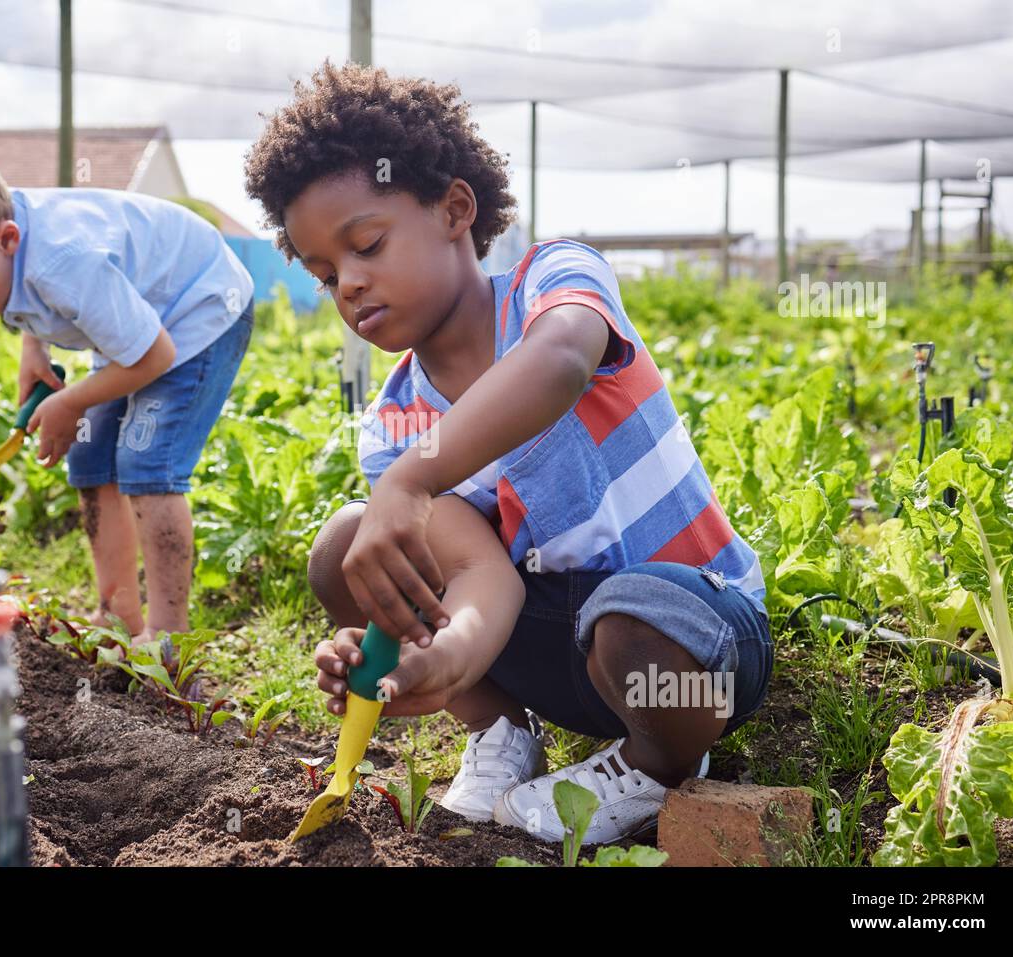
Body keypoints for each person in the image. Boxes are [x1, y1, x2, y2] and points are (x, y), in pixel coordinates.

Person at [244, 62, 773, 845]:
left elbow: (559, 362)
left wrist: (417, 479)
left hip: (690, 645)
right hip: (552, 649)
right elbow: (479, 575)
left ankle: (658, 765)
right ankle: (499, 732)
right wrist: (441, 661)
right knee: (349, 545)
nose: (349, 284)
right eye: (326, 275)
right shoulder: (393, 420)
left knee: (631, 610)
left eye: (368, 244)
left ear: (456, 208)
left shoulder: (552, 282)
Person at [0, 139, 255, 645]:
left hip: (198, 309)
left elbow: (153, 356)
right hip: (133, 323)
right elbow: (32, 290)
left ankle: (168, 640)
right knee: (91, 456)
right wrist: (35, 347)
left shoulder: (65, 263)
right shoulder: (0, 237)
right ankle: (116, 615)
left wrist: (71, 401)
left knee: (147, 461)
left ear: (7, 238)